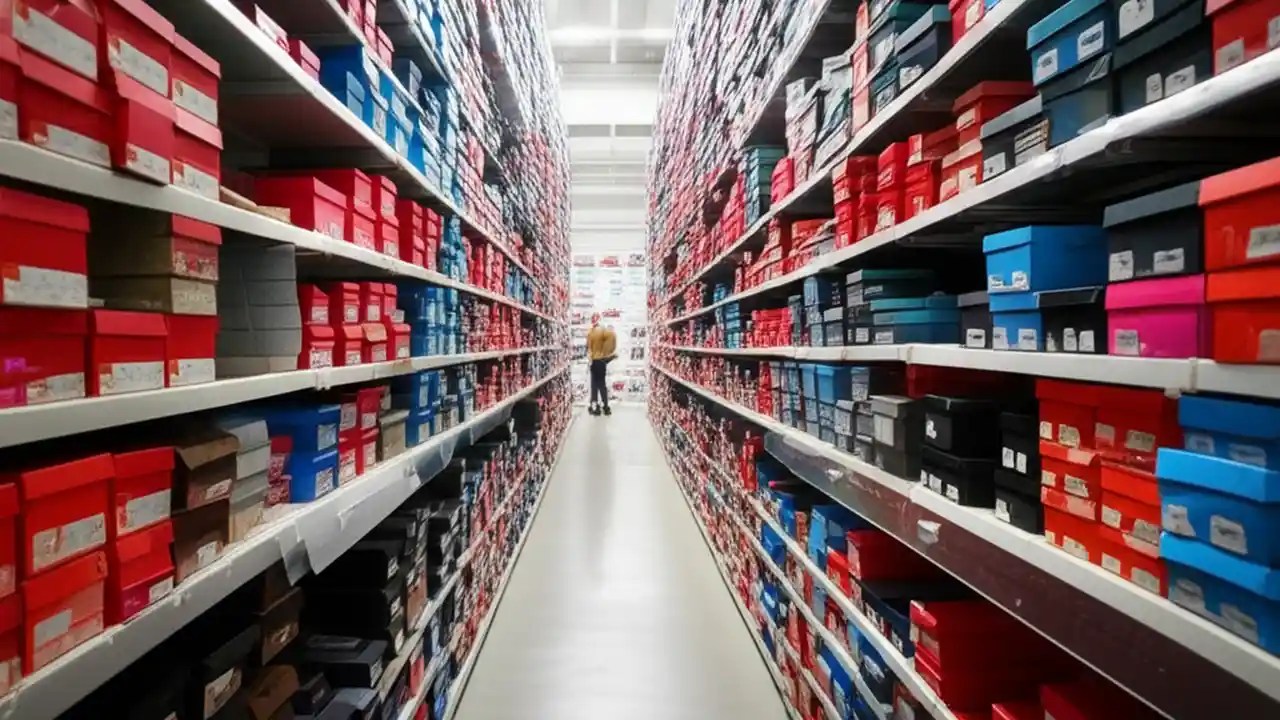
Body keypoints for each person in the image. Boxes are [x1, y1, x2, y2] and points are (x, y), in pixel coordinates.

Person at [585, 313, 617, 416]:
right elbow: (613, 337)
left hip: (594, 361)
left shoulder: (591, 332)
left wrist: (590, 359)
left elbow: (589, 348)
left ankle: (596, 407)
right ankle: (606, 407)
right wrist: (609, 352)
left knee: (594, 385)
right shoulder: (604, 330)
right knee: (602, 384)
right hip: (602, 361)